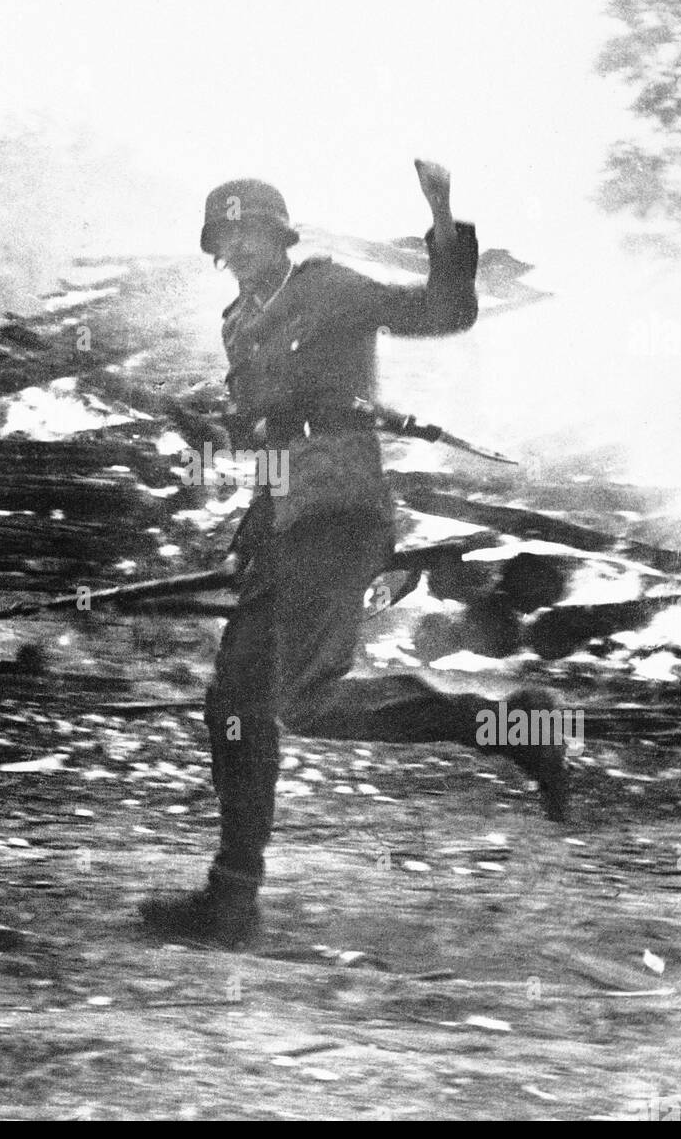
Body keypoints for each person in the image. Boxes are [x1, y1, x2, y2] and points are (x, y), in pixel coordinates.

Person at [141, 163, 567, 947]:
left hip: (338, 511)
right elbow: (260, 438)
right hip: (278, 524)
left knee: (302, 699)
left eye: (250, 233)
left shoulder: (328, 288)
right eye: (223, 238)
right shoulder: (238, 322)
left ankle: (511, 727)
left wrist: (442, 223)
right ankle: (231, 899)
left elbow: (442, 312)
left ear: (279, 235)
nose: (237, 248)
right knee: (235, 706)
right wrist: (211, 440)